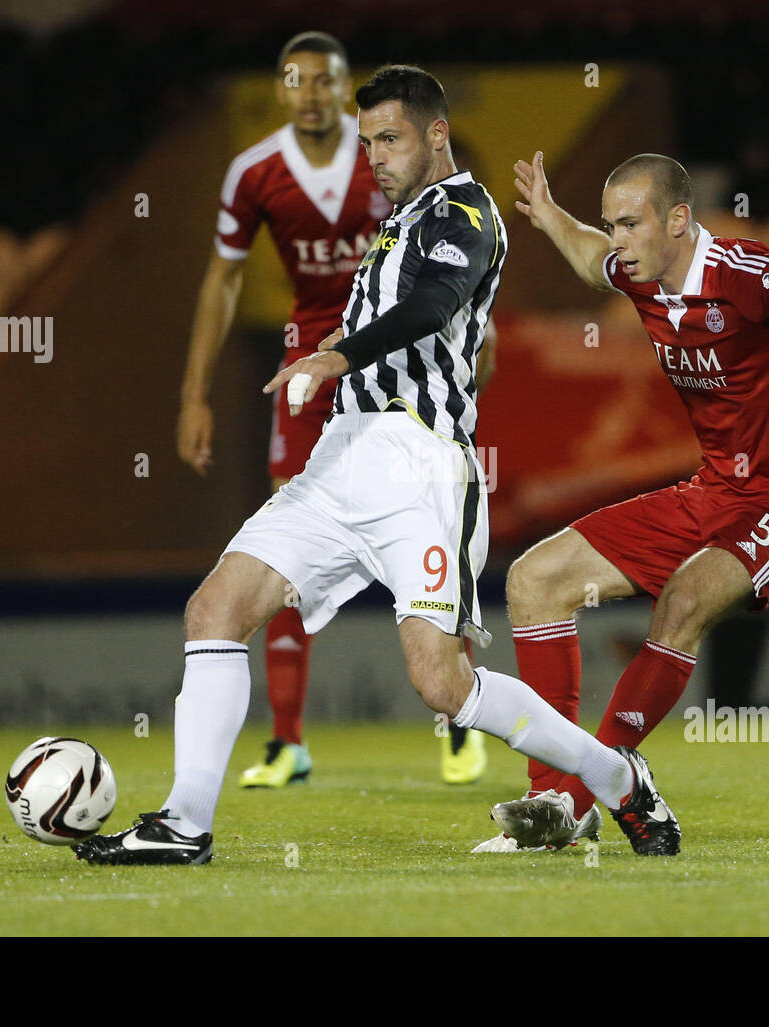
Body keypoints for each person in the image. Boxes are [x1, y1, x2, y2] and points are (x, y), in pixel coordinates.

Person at [74, 66, 671, 866]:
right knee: (214, 609)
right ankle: (185, 824)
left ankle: (616, 778)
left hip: (419, 464)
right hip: (341, 458)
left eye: (389, 139)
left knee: (442, 683)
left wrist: (333, 354)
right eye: (366, 144)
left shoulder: (466, 210)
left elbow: (435, 304)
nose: (375, 157)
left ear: (435, 134)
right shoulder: (396, 223)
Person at [475, 151, 769, 854]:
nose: (618, 240)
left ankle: (580, 797)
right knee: (533, 579)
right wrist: (551, 215)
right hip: (713, 490)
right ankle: (555, 803)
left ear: (680, 220)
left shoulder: (743, 276)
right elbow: (586, 255)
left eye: (630, 224)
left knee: (684, 600)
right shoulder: (640, 273)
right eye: (613, 225)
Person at [177, 32, 485, 788]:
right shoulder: (255, 171)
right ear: (280, 90)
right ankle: (287, 738)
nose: (311, 93)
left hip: (410, 372)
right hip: (310, 369)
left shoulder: (392, 152)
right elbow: (221, 279)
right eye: (296, 80)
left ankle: (457, 711)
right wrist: (194, 392)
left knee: (439, 530)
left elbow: (451, 271)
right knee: (281, 541)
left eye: (326, 80)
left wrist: (478, 339)